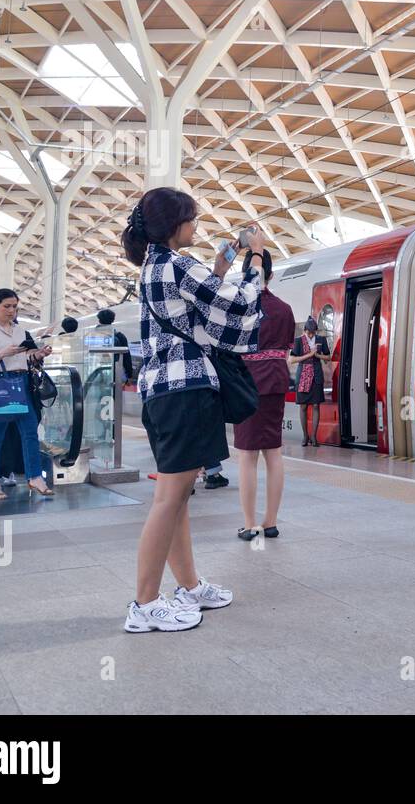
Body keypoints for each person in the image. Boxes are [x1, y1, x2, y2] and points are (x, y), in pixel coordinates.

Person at [122, 186, 265, 634]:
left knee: (179, 496)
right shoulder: (178, 265)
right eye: (192, 219)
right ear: (174, 225)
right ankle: (143, 603)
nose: (197, 226)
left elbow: (193, 307)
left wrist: (220, 267)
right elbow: (239, 305)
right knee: (169, 499)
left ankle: (188, 585)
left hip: (165, 391)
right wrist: (255, 260)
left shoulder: (154, 266)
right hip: (183, 391)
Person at [0, 289, 54, 501]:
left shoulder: (20, 331)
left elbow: (27, 357)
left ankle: (35, 476)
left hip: (23, 383)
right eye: (6, 306)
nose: (11, 310)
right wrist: (1, 353)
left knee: (30, 432)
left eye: (14, 306)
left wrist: (39, 354)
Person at [234, 250, 293, 541]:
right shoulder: (284, 309)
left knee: (247, 456)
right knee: (274, 452)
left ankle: (249, 524)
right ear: (270, 274)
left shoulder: (241, 307)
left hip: (247, 384)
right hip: (275, 382)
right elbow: (286, 349)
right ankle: (270, 522)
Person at [289, 316, 330, 446]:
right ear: (305, 330)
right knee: (303, 406)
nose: (311, 335)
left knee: (316, 405)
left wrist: (317, 355)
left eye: (313, 332)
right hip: (303, 376)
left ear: (316, 331)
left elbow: (328, 357)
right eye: (309, 332)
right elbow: (292, 360)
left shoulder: (321, 340)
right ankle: (305, 436)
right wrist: (309, 355)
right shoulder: (298, 341)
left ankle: (314, 436)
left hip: (316, 375)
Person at [96, 309, 134, 383]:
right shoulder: (120, 336)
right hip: (116, 372)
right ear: (112, 320)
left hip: (97, 371)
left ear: (99, 321)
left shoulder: (93, 335)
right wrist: (129, 375)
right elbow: (126, 357)